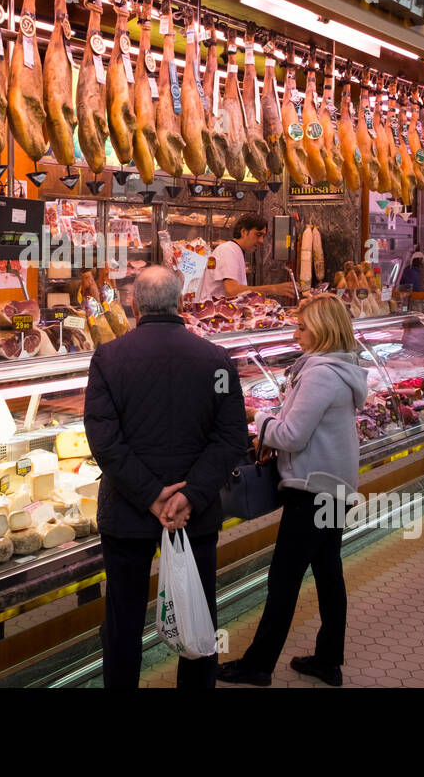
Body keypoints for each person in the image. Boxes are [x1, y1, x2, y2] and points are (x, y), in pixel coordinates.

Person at [84, 264, 248, 688]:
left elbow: (104, 441)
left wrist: (152, 496)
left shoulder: (109, 358)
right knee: (197, 611)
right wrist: (190, 495)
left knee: (123, 621)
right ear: (180, 303)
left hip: (127, 512)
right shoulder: (215, 359)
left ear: (133, 305)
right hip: (195, 515)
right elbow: (231, 437)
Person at [217, 294, 367, 688]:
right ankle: (328, 660)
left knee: (284, 580)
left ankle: (258, 666)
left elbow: (293, 435)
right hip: (337, 485)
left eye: (301, 327)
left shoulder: (319, 373)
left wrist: (259, 418)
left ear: (319, 330)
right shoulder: (342, 367)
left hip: (313, 490)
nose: (295, 333)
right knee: (328, 574)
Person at [198, 213, 296, 301]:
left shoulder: (236, 250)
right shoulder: (228, 250)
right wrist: (274, 289)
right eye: (258, 235)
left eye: (263, 236)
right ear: (244, 232)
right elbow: (232, 291)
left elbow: (237, 294)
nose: (261, 241)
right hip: (214, 316)